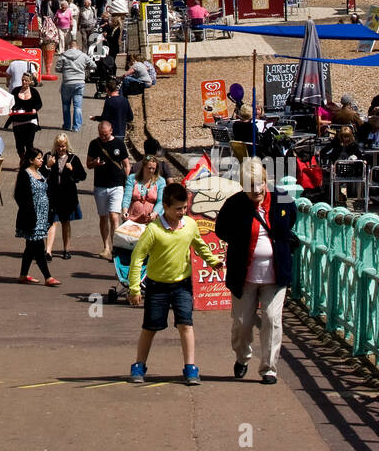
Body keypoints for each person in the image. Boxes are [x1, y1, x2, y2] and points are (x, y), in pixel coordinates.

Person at [127, 183, 224, 385]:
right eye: (177, 208)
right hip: (157, 286)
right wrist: (134, 287)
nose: (182, 212)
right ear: (165, 206)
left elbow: (199, 244)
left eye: (184, 208)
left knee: (185, 325)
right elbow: (137, 258)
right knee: (150, 327)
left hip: (182, 285)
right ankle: (139, 364)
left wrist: (213, 260)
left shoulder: (189, 225)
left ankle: (190, 367)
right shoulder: (153, 230)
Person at [215, 159, 298, 385]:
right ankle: (242, 357)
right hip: (245, 275)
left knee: (272, 319)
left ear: (265, 180)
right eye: (250, 186)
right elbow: (221, 229)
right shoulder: (234, 204)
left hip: (275, 273)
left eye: (259, 184)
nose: (256, 191)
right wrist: (241, 240)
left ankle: (269, 368)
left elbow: (291, 220)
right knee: (242, 323)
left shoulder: (282, 197)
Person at [14, 148, 60, 286]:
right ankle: (48, 277)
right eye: (39, 158)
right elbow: (20, 196)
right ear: (31, 160)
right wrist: (29, 212)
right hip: (32, 216)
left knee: (30, 247)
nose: (41, 160)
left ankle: (23, 275)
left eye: (41, 158)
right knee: (38, 247)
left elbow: (45, 184)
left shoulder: (39, 172)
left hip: (42, 215)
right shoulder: (24, 174)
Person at [86, 119, 130, 259]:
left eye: (105, 134)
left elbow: (126, 164)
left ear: (111, 131)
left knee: (114, 216)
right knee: (103, 217)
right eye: (101, 134)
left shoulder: (118, 143)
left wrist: (128, 181)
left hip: (117, 185)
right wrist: (95, 163)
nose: (103, 137)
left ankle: (116, 248)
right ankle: (106, 247)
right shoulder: (94, 144)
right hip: (100, 185)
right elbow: (88, 164)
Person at [44, 135, 87, 259]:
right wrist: (48, 166)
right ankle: (48, 251)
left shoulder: (73, 158)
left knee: (66, 222)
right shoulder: (49, 157)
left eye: (62, 146)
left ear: (66, 146)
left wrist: (72, 170)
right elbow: (41, 174)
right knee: (52, 222)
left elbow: (82, 176)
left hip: (68, 196)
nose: (60, 148)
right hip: (53, 195)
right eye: (58, 146)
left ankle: (66, 249)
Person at [54, 38, 94, 132]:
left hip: (67, 82)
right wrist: (84, 67)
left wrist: (64, 70)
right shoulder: (83, 55)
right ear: (78, 47)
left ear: (69, 47)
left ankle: (67, 125)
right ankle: (76, 127)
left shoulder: (64, 55)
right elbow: (93, 65)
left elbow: (57, 68)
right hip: (79, 82)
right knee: (78, 106)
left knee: (66, 105)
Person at [3, 72, 43, 160]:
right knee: (19, 145)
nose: (24, 82)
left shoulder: (34, 92)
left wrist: (35, 109)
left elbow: (39, 103)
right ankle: (22, 159)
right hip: (18, 120)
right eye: (22, 80)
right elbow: (10, 102)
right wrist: (10, 109)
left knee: (29, 143)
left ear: (30, 82)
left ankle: (28, 161)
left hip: (30, 120)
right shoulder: (16, 91)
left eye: (26, 80)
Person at [122, 156, 165, 224]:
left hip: (150, 220)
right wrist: (125, 211)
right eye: (149, 168)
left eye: (153, 169)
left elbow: (160, 201)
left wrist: (154, 213)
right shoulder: (132, 178)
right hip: (132, 218)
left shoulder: (161, 181)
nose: (151, 171)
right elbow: (127, 197)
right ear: (143, 167)